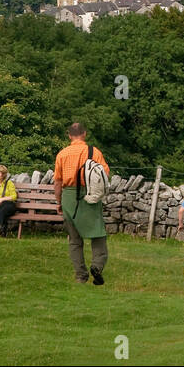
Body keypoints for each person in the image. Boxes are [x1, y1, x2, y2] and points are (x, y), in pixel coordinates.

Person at [54, 122, 111, 285]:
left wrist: (59, 202)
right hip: (90, 194)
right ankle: (97, 266)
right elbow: (104, 173)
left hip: (69, 197)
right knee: (98, 234)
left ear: (69, 135)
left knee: (74, 239)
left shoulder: (62, 154)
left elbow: (58, 182)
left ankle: (80, 275)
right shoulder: (94, 152)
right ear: (84, 134)